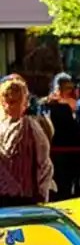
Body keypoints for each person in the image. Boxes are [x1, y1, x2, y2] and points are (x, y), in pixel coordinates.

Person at [0, 75, 54, 206]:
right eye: (8, 102)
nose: (10, 107)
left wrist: (42, 192)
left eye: (15, 101)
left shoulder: (31, 127)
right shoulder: (2, 126)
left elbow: (44, 162)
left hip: (26, 196)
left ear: (24, 103)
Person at [43, 72, 80, 200]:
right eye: (68, 89)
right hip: (61, 163)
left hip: (74, 163)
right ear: (58, 91)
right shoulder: (54, 109)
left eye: (74, 88)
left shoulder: (78, 110)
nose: (73, 92)